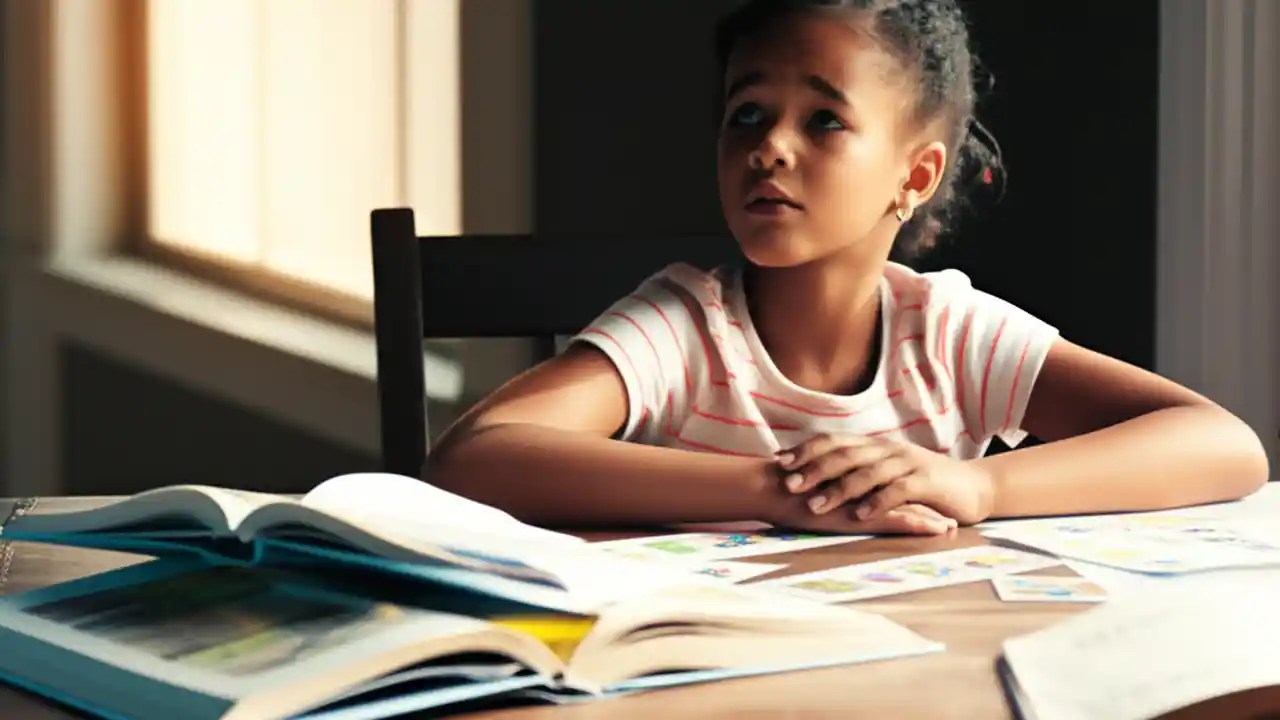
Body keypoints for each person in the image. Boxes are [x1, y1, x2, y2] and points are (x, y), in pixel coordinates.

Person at [427, 0, 1268, 535]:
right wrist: (774, 490)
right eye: (746, 115)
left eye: (823, 121)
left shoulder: (947, 334)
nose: (768, 149)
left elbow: (1223, 445)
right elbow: (473, 461)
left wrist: (972, 487)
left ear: (915, 177)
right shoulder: (685, 326)